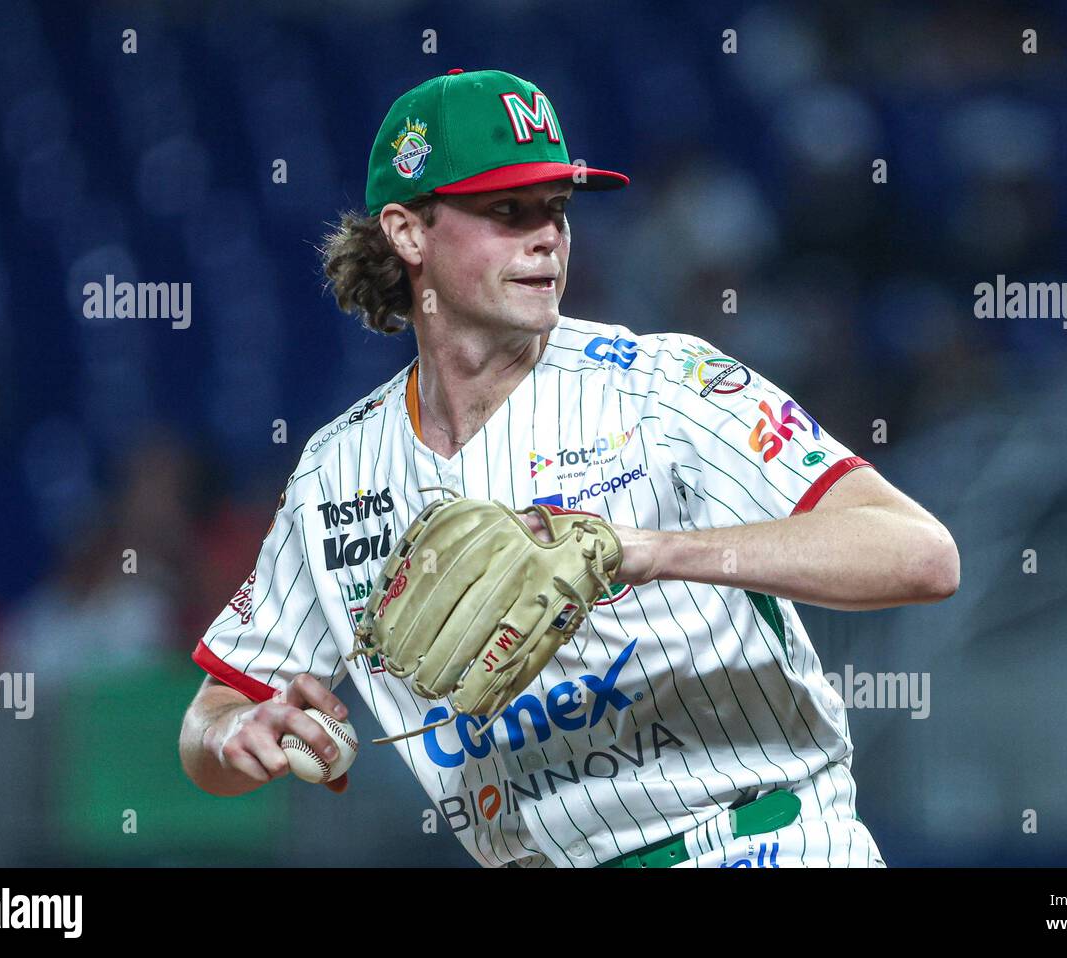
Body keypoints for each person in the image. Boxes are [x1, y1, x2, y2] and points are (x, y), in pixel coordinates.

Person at [178, 68, 959, 868]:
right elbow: (218, 712)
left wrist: (650, 552)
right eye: (506, 211)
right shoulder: (337, 474)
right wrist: (237, 731)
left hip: (757, 841)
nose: (547, 237)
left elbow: (918, 554)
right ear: (409, 234)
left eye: (556, 209)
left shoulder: (662, 384)